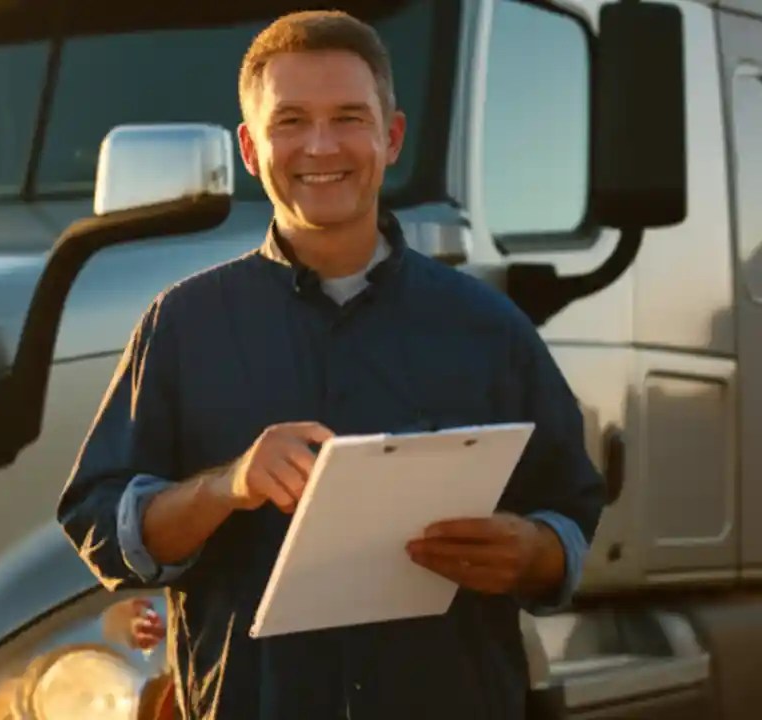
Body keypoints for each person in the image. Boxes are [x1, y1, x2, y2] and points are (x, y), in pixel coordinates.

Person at [57, 9, 605, 720]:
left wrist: (530, 551)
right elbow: (102, 528)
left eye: (349, 117)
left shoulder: (490, 328)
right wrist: (229, 485)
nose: (321, 146)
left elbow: (569, 514)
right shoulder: (181, 326)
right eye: (291, 122)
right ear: (251, 149)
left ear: (392, 137)